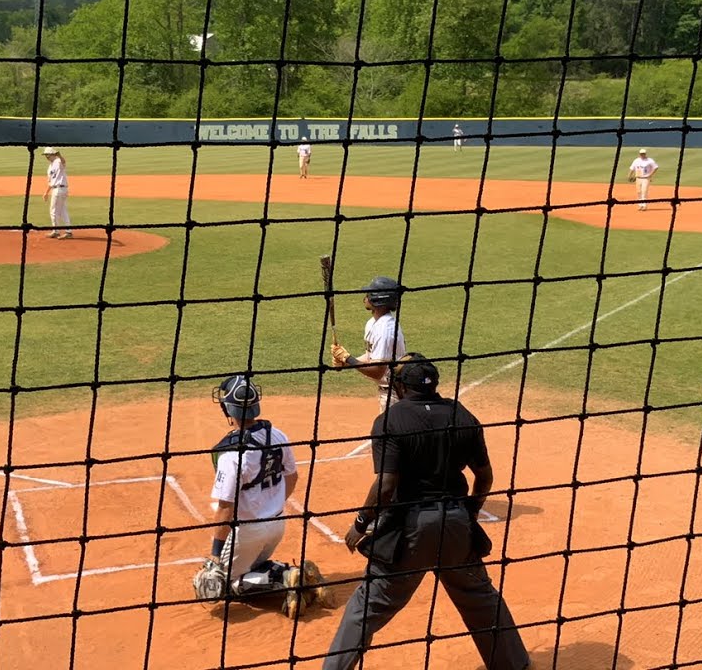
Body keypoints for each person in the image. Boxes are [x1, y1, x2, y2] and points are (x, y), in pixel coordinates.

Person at [323, 354, 530, 670]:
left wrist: (361, 522)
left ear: (402, 387)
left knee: (365, 608)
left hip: (410, 532)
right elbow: (485, 477)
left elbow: (387, 484)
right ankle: (516, 666)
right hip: (457, 524)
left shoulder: (391, 420)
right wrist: (468, 515)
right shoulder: (462, 415)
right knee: (481, 600)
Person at [191, 375, 332, 618]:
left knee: (228, 584)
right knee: (252, 566)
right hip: (277, 525)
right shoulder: (277, 435)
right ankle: (297, 574)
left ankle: (287, 577)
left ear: (227, 408)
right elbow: (293, 476)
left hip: (247, 532)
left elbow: (225, 507)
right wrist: (273, 503)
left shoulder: (231, 454)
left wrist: (216, 553)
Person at [331, 276, 407, 412]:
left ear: (379, 299)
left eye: (369, 295)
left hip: (395, 394)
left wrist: (348, 358)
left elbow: (377, 371)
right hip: (389, 391)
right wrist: (345, 362)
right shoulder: (373, 323)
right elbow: (369, 358)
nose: (365, 298)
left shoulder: (385, 329)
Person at [41, 147, 72, 239]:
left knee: (53, 211)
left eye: (48, 154)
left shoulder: (58, 161)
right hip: (57, 189)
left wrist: (60, 155)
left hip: (60, 189)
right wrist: (46, 192)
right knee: (63, 211)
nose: (46, 156)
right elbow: (51, 182)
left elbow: (63, 162)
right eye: (45, 155)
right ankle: (68, 231)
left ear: (52, 154)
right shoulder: (50, 167)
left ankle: (56, 231)